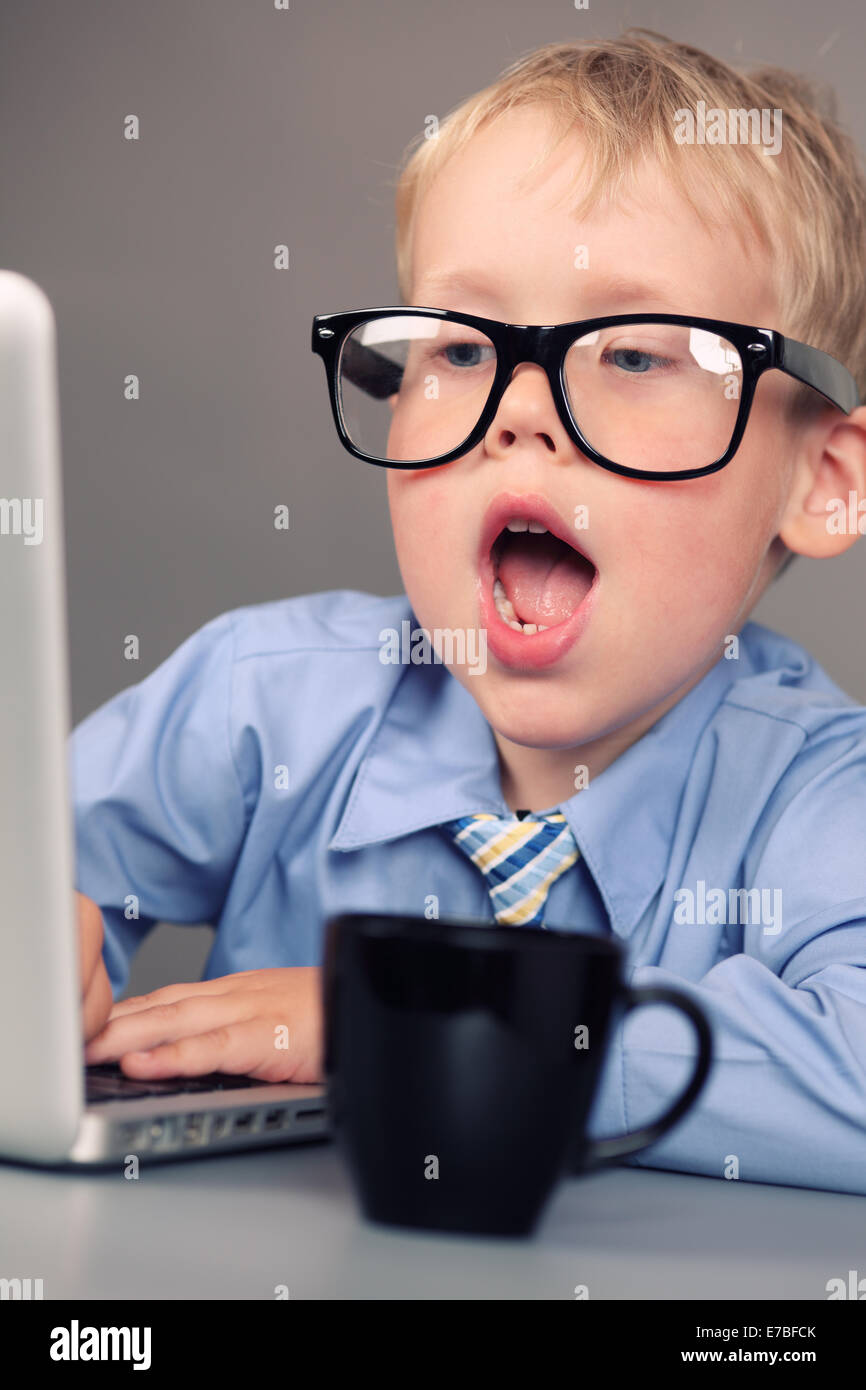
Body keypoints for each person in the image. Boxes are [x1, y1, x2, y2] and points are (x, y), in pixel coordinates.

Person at [75, 31, 866, 1192]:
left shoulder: (812, 793)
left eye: (636, 353)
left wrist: (399, 1021)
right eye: (459, 343)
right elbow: (41, 874)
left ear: (821, 480)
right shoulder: (265, 698)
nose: (520, 410)